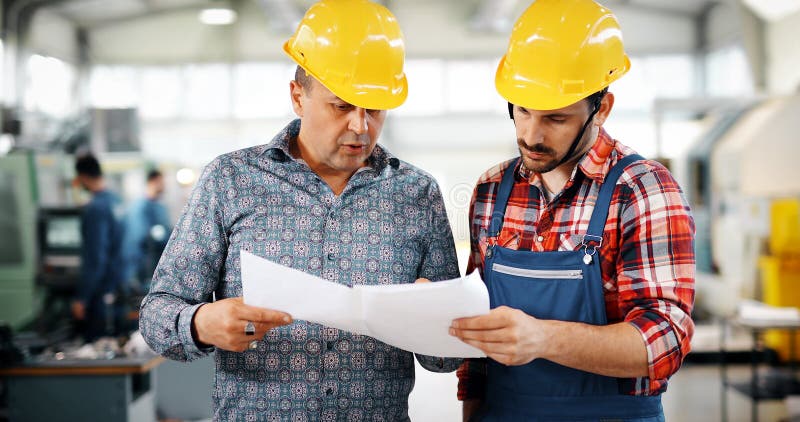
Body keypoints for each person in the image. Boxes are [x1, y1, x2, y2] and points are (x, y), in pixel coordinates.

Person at [139, 0, 461, 420]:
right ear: (298, 96)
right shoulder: (231, 181)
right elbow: (157, 314)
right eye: (342, 106)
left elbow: (447, 359)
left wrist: (435, 322)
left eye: (375, 109)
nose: (361, 127)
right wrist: (200, 323)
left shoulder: (417, 195)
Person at [448, 0, 696, 420]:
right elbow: (479, 344)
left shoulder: (643, 190)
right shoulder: (492, 189)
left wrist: (543, 339)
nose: (531, 135)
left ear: (601, 108)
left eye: (556, 119)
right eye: (522, 110)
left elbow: (665, 340)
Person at [73, 153, 126, 341]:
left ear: (82, 178)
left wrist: (82, 298)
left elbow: (96, 258)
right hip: (119, 286)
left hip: (100, 292)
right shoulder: (116, 201)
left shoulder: (96, 208)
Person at [122, 169, 172, 293]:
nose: (164, 185)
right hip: (143, 268)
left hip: (157, 267)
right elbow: (141, 237)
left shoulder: (159, 206)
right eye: (162, 182)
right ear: (153, 181)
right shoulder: (140, 207)